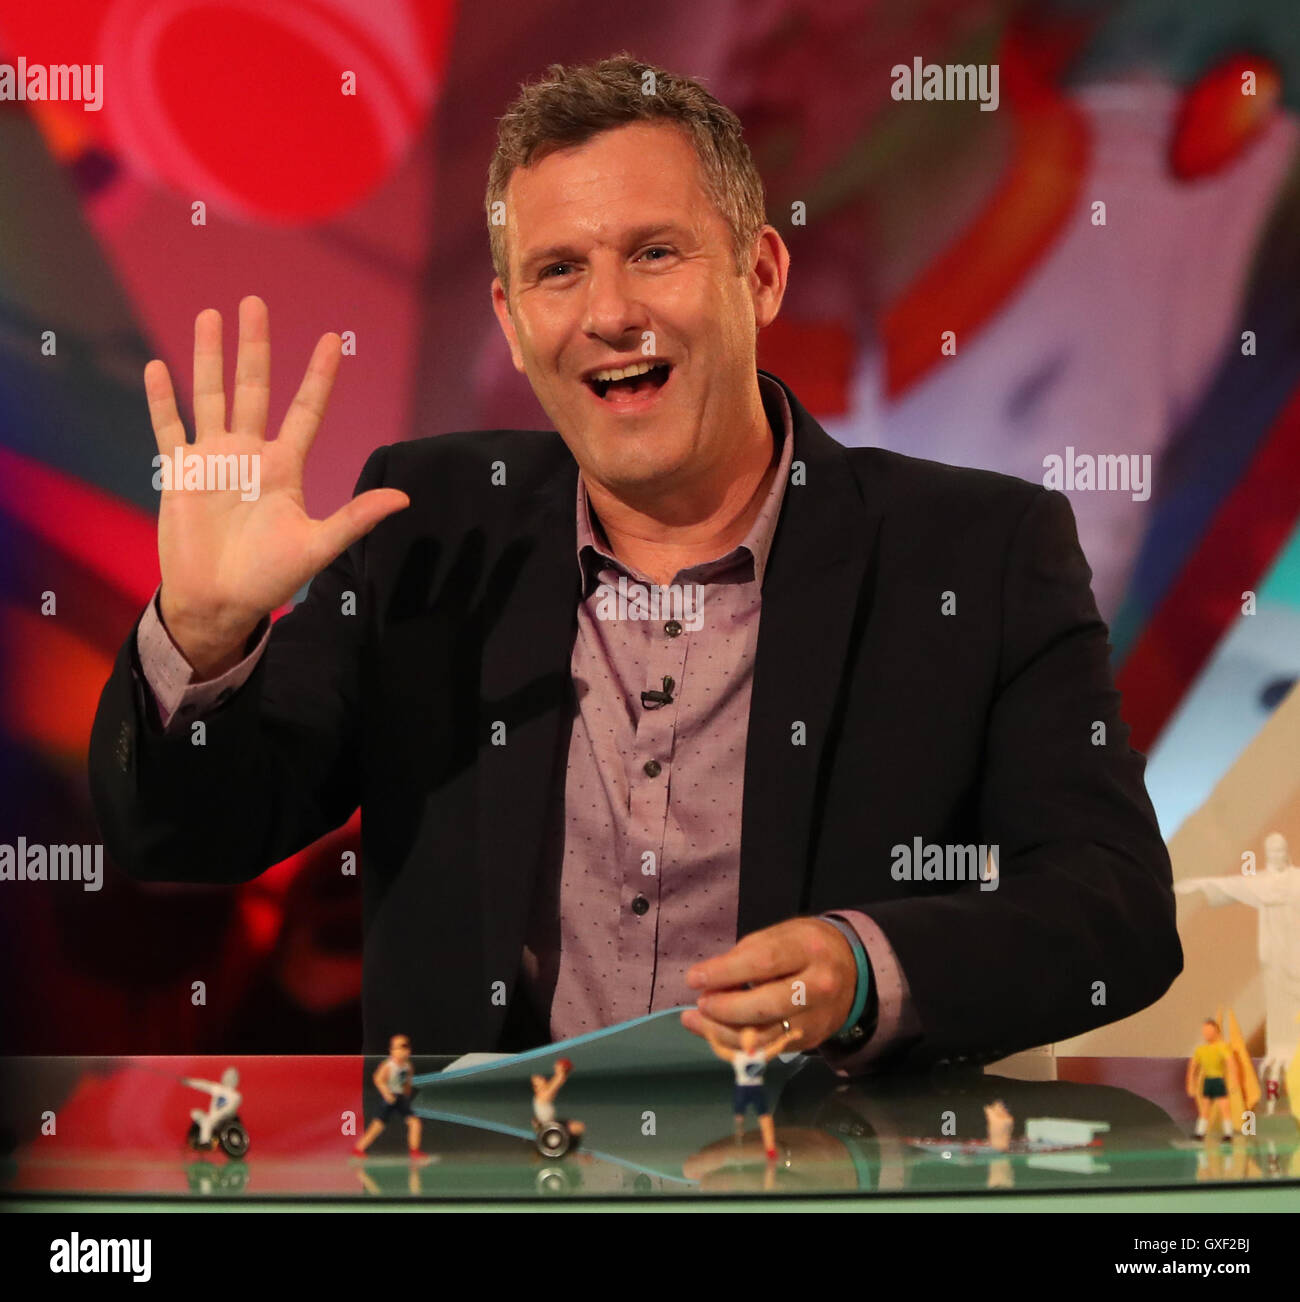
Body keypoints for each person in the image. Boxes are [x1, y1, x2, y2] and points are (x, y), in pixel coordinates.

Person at [89, 54, 1180, 1073]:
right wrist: (205, 635)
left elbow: (1113, 908)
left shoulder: (976, 551)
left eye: (654, 253)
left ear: (758, 274)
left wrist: (863, 972)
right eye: (559, 271)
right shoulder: (426, 527)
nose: (610, 314)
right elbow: (188, 836)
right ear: (513, 327)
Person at [704, 1023, 801, 1160]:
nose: (750, 1041)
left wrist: (790, 1036)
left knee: (765, 1119)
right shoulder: (738, 1056)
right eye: (747, 1038)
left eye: (753, 1037)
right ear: (741, 1041)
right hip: (742, 1090)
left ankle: (770, 1148)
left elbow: (776, 1047)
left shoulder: (760, 1054)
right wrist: (711, 1035)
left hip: (756, 1089)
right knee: (739, 1119)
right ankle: (738, 1143)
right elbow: (720, 1050)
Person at [353, 1033, 426, 1159]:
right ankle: (358, 1149)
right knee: (378, 1125)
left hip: (401, 1098)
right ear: (392, 1050)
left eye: (406, 1047)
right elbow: (378, 1079)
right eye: (400, 1047)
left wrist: (406, 1096)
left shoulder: (408, 1066)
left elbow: (407, 1082)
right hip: (390, 1098)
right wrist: (386, 1093)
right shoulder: (388, 1065)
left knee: (415, 1123)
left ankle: (414, 1151)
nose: (404, 1051)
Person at [1185, 1018, 1234, 1141]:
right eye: (1205, 1031)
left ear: (1216, 1031)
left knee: (1224, 1107)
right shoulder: (1201, 1050)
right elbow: (1192, 1068)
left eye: (1209, 1030)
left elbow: (1231, 1064)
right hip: (1208, 1081)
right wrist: (1191, 1083)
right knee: (1205, 1108)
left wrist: (1234, 1080)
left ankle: (1228, 1133)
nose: (1206, 1033)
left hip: (1218, 1080)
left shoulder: (1222, 1047)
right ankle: (1200, 1133)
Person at [184, 1066, 241, 1149]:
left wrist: (218, 1116)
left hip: (223, 1120)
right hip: (212, 1117)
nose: (228, 1079)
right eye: (227, 1076)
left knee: (207, 1121)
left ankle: (205, 1142)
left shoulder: (236, 1096)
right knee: (196, 1113)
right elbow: (204, 1085)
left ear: (235, 1079)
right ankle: (197, 1137)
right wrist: (190, 1082)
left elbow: (230, 1109)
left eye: (231, 1077)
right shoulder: (218, 1089)